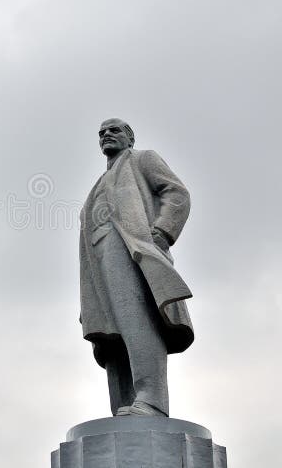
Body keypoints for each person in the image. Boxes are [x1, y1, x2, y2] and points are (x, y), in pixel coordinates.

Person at [78, 118, 194, 417]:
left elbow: (177, 193)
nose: (106, 135)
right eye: (101, 132)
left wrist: (162, 232)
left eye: (114, 130)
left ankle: (151, 400)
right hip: (98, 256)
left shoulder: (143, 159)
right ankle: (124, 403)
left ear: (130, 138)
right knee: (109, 331)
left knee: (135, 320)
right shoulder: (99, 182)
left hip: (129, 248)